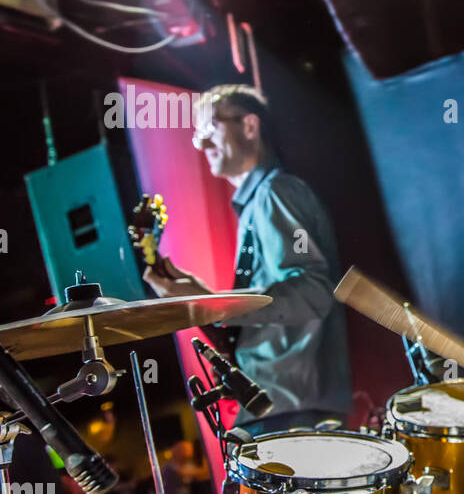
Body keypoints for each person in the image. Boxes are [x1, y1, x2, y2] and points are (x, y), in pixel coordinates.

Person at [143, 84, 352, 435]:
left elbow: (314, 291)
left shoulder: (276, 193)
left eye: (210, 130)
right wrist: (204, 299)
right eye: (198, 135)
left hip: (293, 408)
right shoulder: (260, 202)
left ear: (250, 126)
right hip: (280, 405)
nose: (201, 144)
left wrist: (221, 307)